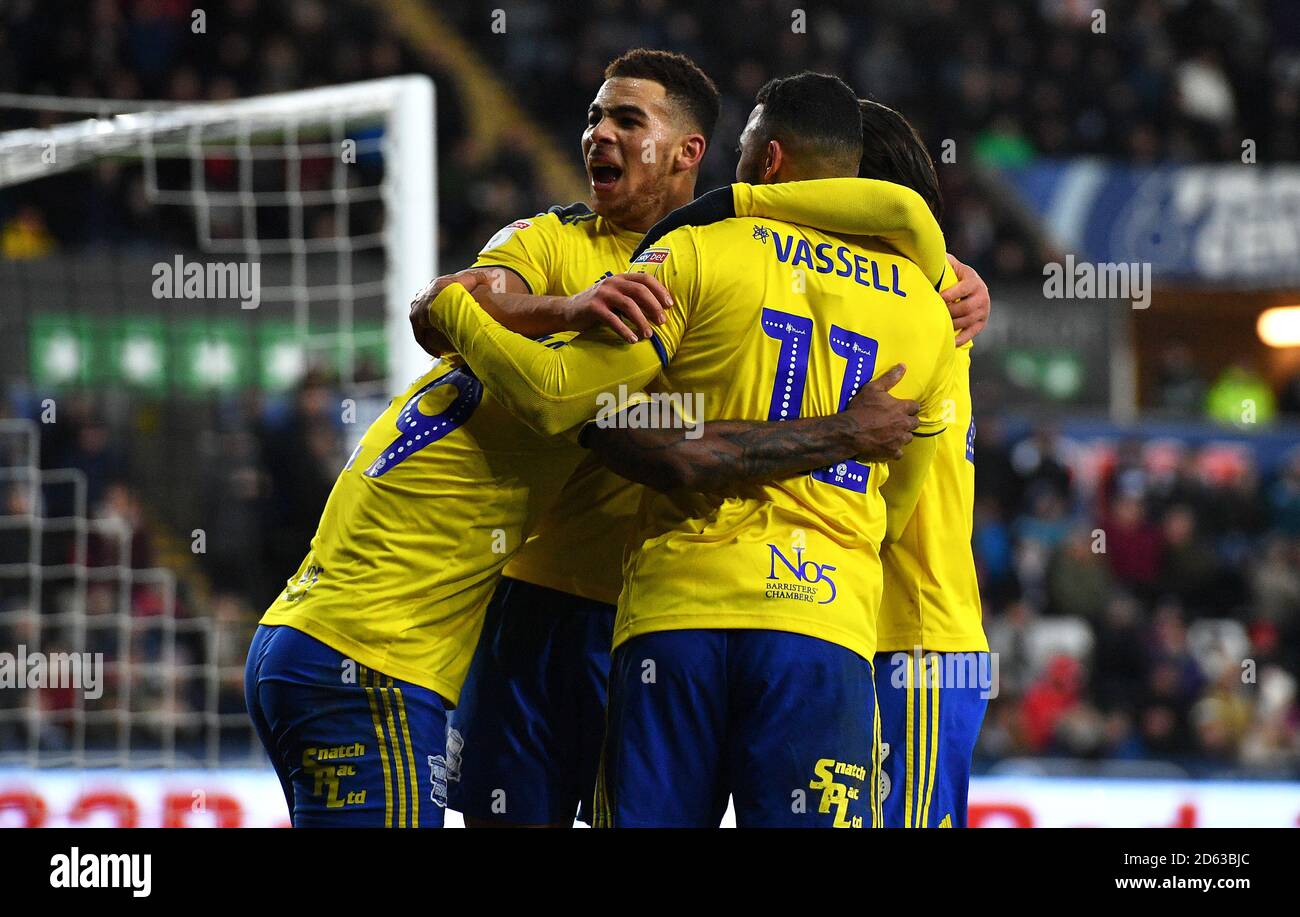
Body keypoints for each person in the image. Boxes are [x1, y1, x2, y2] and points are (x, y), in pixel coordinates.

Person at [424, 72, 960, 826]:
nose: (600, 135)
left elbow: (567, 395)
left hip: (672, 611)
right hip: (821, 625)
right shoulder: (927, 305)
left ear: (761, 160)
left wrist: (449, 305)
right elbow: (898, 503)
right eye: (594, 118)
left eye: (625, 120)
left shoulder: (696, 256)